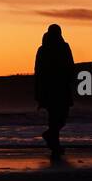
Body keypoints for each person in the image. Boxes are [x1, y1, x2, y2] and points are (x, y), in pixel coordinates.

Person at [34, 23, 75, 159]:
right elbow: (70, 66)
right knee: (59, 118)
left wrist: (39, 91)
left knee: (56, 118)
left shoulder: (43, 49)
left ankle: (53, 142)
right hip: (58, 88)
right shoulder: (62, 47)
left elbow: (38, 72)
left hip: (51, 89)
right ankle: (54, 144)